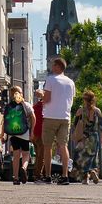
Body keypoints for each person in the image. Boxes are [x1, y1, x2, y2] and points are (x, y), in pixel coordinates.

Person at [40, 57, 76, 185]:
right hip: (65, 117)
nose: (51, 67)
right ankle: (65, 176)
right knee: (63, 146)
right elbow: (71, 99)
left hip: (50, 116)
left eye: (53, 65)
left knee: (48, 146)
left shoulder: (50, 79)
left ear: (57, 67)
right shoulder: (71, 82)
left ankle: (48, 176)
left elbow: (47, 99)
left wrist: (41, 96)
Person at [4, 85, 35, 185]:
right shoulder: (26, 105)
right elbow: (33, 118)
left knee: (16, 155)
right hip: (24, 132)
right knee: (26, 154)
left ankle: (16, 178)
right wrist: (32, 131)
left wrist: (3, 134)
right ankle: (24, 167)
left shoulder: (8, 106)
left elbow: (5, 121)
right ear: (20, 94)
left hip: (12, 134)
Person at [72, 90, 102, 184]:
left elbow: (75, 125)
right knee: (91, 158)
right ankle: (92, 171)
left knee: (80, 158)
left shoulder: (80, 111)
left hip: (83, 137)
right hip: (94, 137)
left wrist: (75, 134)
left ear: (84, 100)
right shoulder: (97, 111)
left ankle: (85, 178)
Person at [31, 90, 44, 181]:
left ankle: (36, 174)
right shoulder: (45, 107)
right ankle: (38, 175)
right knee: (41, 156)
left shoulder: (34, 107)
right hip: (42, 133)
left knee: (38, 156)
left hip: (34, 134)